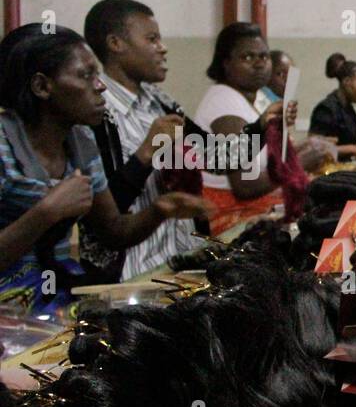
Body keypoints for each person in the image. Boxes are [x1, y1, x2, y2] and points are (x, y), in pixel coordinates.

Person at [0, 27, 206, 316]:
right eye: (86, 76)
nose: (101, 87)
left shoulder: (80, 140)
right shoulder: (3, 146)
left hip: (52, 303)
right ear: (42, 87)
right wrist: (46, 212)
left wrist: (160, 210)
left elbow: (113, 231)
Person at [80, 0, 206, 281]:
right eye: (152, 39)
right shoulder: (96, 111)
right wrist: (146, 153)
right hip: (131, 275)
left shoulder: (159, 101)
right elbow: (105, 212)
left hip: (180, 258)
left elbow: (218, 156)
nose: (163, 48)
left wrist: (261, 128)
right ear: (116, 44)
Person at [193, 22, 295, 233]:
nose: (259, 64)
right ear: (225, 63)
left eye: (264, 56)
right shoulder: (224, 103)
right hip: (229, 222)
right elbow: (245, 186)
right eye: (247, 57)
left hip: (252, 212)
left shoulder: (250, 101)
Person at [309, 52, 356, 159]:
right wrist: (352, 149)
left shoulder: (347, 108)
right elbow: (312, 148)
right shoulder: (326, 110)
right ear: (347, 82)